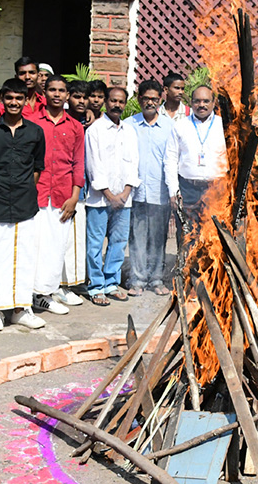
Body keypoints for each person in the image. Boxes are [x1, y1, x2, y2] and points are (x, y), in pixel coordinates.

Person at [0, 78, 47, 332]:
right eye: (9, 98)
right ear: (2, 100)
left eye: (19, 98)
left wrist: (24, 190)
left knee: (24, 257)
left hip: (25, 205)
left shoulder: (35, 132)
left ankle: (20, 309)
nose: (14, 102)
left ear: (26, 100)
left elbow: (37, 169)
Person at [29, 75, 86, 314]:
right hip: (35, 193)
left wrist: (74, 197)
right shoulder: (31, 121)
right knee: (32, 245)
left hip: (63, 196)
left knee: (55, 247)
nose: (56, 94)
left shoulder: (75, 126)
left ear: (66, 95)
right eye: (51, 89)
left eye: (61, 90)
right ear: (45, 92)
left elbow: (78, 163)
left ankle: (46, 293)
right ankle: (28, 294)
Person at [84, 87, 139, 305]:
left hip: (124, 199)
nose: (117, 105)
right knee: (96, 243)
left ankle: (111, 283)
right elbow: (93, 165)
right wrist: (108, 194)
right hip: (99, 198)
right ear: (106, 102)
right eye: (113, 101)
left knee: (118, 242)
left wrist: (125, 192)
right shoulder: (95, 130)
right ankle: (96, 286)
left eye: (121, 101)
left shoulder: (129, 131)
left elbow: (134, 164)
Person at [126, 80, 174, 296]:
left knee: (158, 238)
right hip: (134, 192)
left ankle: (156, 279)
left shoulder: (170, 127)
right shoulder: (128, 125)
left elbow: (174, 159)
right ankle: (137, 279)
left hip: (160, 192)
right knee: (136, 237)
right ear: (139, 99)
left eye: (155, 99)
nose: (150, 102)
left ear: (160, 100)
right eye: (146, 98)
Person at [166, 86, 226, 232]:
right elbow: (170, 159)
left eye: (206, 101)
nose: (201, 105)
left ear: (214, 102)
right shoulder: (180, 125)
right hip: (188, 190)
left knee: (214, 237)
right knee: (187, 236)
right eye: (197, 101)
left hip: (216, 189)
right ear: (191, 102)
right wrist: (173, 191)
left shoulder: (224, 125)